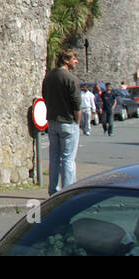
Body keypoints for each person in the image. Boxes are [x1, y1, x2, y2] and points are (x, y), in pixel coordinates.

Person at [42, 50, 81, 194]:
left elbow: (45, 96)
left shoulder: (49, 77)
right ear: (66, 60)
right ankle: (67, 191)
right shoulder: (71, 79)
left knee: (54, 158)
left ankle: (53, 190)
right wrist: (77, 121)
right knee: (68, 159)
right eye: (74, 58)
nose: (76, 61)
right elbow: (77, 103)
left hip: (52, 121)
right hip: (68, 122)